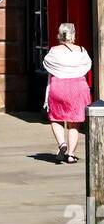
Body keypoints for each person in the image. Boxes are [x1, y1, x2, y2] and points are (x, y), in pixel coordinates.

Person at [43, 23, 92, 163]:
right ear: (74, 35)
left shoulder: (53, 51)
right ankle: (71, 154)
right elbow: (88, 65)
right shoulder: (82, 50)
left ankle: (61, 144)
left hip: (59, 86)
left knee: (55, 118)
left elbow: (46, 65)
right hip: (78, 87)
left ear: (59, 35)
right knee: (74, 122)